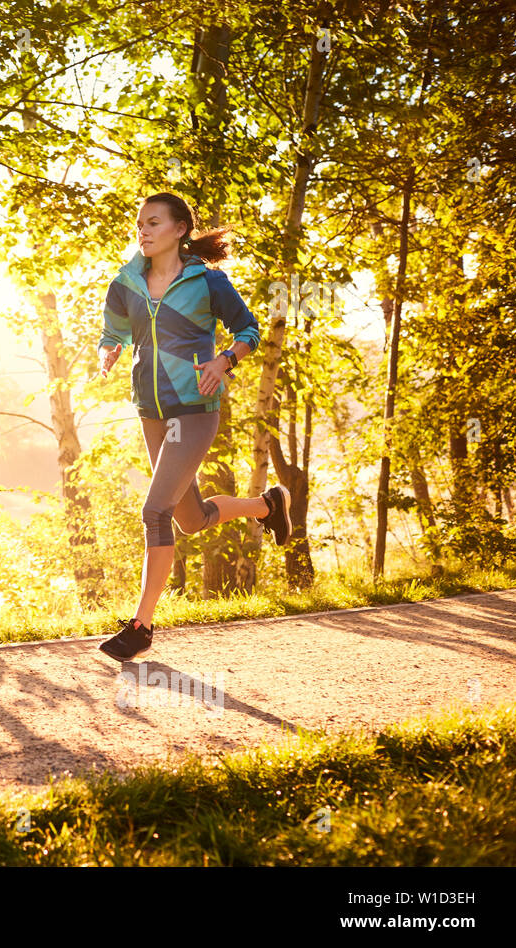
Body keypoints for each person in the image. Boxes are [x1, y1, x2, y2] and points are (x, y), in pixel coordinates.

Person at [95, 192, 293, 664]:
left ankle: (140, 627)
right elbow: (116, 328)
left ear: (180, 229)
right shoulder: (126, 282)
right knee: (190, 518)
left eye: (153, 222)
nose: (142, 230)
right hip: (152, 409)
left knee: (155, 512)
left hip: (194, 408)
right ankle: (267, 506)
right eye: (139, 224)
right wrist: (110, 348)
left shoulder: (207, 283)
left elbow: (248, 330)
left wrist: (225, 361)